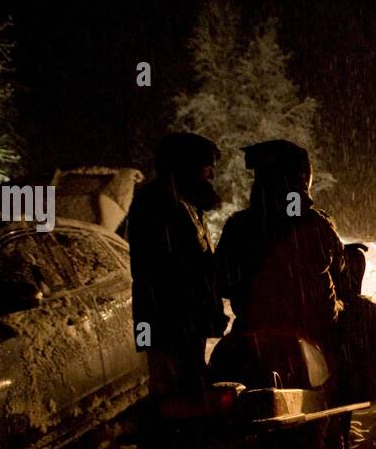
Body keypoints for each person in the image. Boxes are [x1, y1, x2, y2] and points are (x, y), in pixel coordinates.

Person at [212, 139, 347, 385]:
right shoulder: (313, 223)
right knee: (348, 343)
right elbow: (339, 267)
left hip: (250, 330)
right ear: (303, 178)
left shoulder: (239, 225)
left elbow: (221, 281)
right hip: (310, 330)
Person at [127, 132, 228, 396]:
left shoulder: (185, 205)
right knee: (177, 400)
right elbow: (176, 271)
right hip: (170, 327)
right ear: (187, 167)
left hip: (181, 325)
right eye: (208, 169)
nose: (212, 177)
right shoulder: (160, 205)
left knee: (187, 396)